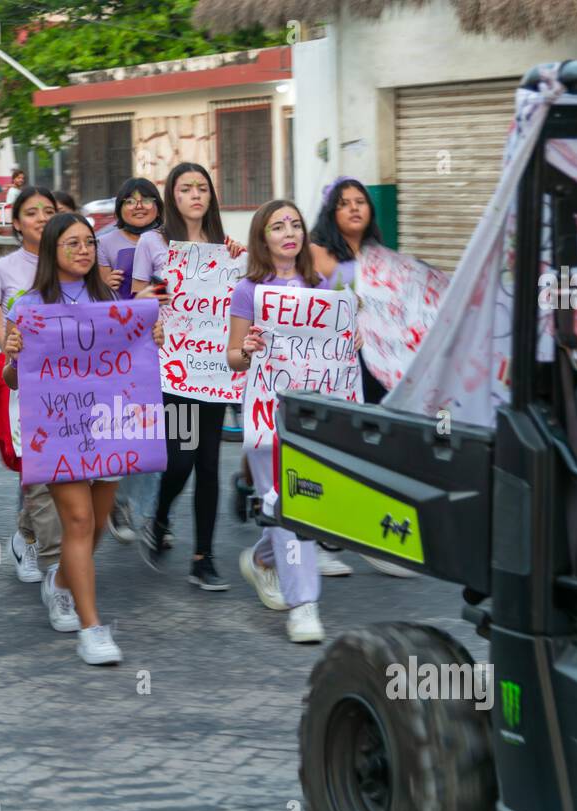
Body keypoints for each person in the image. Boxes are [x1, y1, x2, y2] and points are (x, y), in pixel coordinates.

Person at [1, 212, 168, 665]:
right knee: (76, 523)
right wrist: (12, 359)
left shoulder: (111, 300)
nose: (83, 250)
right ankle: (93, 628)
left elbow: (136, 358)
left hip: (110, 429)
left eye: (89, 243)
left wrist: (152, 335)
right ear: (52, 250)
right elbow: (17, 381)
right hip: (59, 431)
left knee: (93, 526)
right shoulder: (28, 305)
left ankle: (59, 582)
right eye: (72, 243)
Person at [131, 162, 245, 590]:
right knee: (181, 457)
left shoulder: (225, 247)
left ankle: (204, 558)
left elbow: (242, 298)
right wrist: (161, 294)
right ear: (172, 196)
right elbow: (138, 297)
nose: (196, 195)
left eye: (202, 188)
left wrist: (236, 262)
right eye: (186, 188)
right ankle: (160, 516)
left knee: (211, 463)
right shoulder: (153, 242)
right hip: (172, 366)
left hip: (216, 368)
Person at [227, 200, 326, 643]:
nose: (289, 232)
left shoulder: (319, 286)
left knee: (305, 504)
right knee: (290, 502)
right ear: (262, 237)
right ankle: (303, 604)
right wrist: (246, 349)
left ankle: (264, 559)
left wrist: (352, 334)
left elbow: (334, 349)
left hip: (310, 413)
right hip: (268, 414)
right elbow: (231, 359)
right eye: (277, 226)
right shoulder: (248, 290)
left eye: (296, 225)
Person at [307, 176, 415, 580]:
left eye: (361, 202)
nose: (355, 208)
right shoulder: (316, 253)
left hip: (378, 366)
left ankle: (375, 536)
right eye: (344, 202)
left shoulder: (382, 257)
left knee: (377, 448)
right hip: (333, 366)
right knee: (333, 451)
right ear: (331, 212)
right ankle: (318, 539)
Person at [0, 186, 59, 583]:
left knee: (63, 466)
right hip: (18, 376)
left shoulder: (76, 262)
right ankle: (39, 547)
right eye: (32, 212)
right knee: (33, 463)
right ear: (17, 223)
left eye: (49, 211)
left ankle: (26, 535)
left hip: (67, 379)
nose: (41, 217)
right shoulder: (2, 271)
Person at [95, 177, 165, 544]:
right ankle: (118, 501)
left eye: (147, 199)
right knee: (123, 428)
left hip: (163, 345)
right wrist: (100, 274)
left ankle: (149, 513)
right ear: (120, 205)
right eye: (130, 200)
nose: (139, 205)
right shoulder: (102, 244)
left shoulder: (172, 241)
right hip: (118, 350)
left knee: (157, 431)